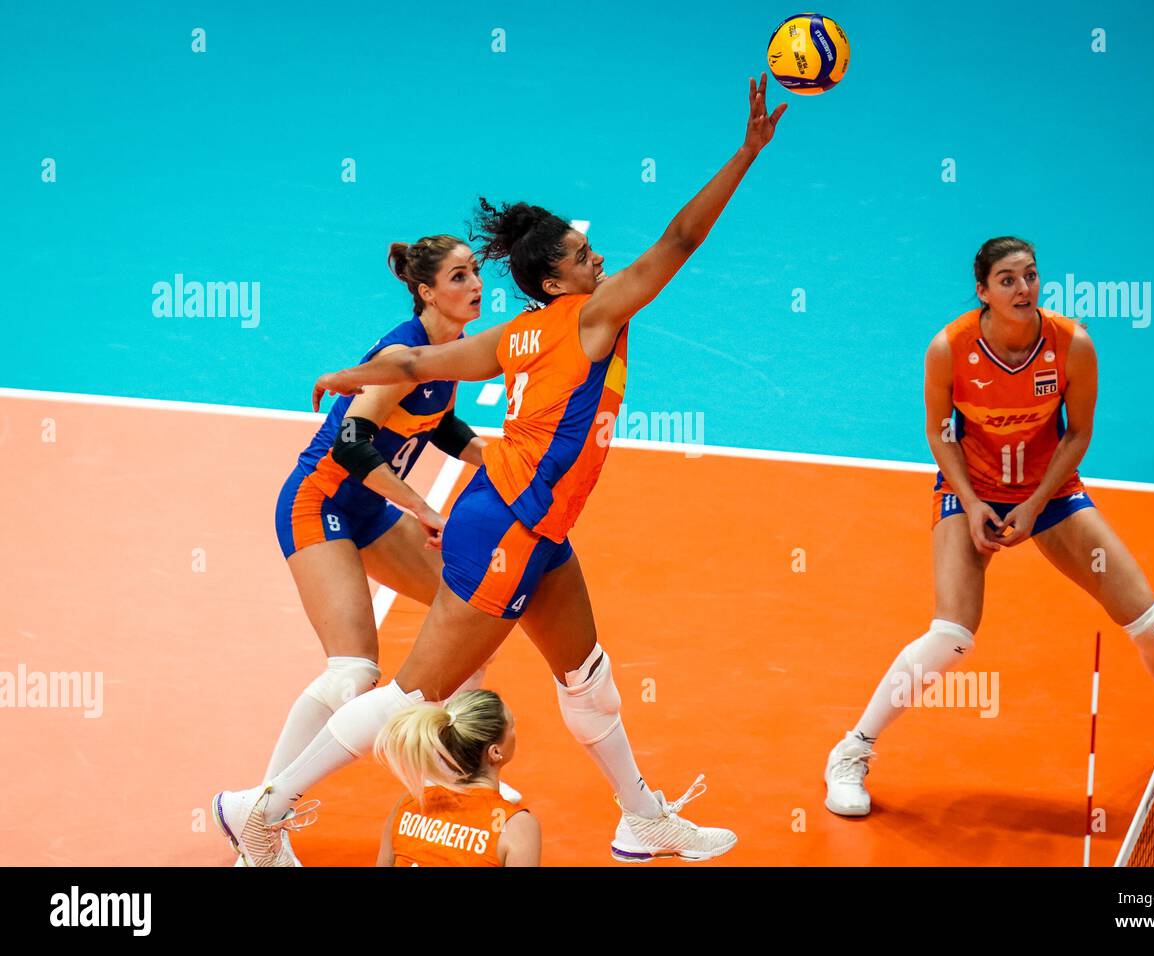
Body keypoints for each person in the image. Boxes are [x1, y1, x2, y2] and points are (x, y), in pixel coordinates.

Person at [213, 74, 786, 865]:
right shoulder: (593, 315)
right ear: (557, 283)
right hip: (505, 527)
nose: (602, 260)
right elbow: (681, 241)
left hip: (538, 526)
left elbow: (414, 359)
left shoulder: (519, 335)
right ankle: (263, 810)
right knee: (409, 696)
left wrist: (348, 378)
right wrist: (746, 152)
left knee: (586, 675)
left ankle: (641, 816)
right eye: (586, 257)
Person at [822, 236, 1154, 817]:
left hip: (1050, 492)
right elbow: (941, 435)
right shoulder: (949, 349)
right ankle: (851, 751)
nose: (1024, 288)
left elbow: (1077, 435)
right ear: (983, 291)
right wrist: (971, 500)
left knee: (1151, 620)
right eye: (1008, 279)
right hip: (972, 491)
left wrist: (1036, 504)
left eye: (1031, 276)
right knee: (951, 636)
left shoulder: (1072, 345)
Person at [228, 236, 501, 866]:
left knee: (473, 614)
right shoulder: (402, 350)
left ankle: (450, 785)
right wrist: (426, 509)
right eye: (460, 277)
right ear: (428, 292)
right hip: (318, 501)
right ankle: (260, 820)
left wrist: (498, 459)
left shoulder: (447, 355)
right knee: (352, 673)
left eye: (476, 273)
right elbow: (353, 444)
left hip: (367, 510)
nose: (475, 285)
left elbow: (440, 424)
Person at [374, 690, 539, 867]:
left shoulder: (409, 804)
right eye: (512, 725)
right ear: (495, 752)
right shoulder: (516, 826)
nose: (515, 730)